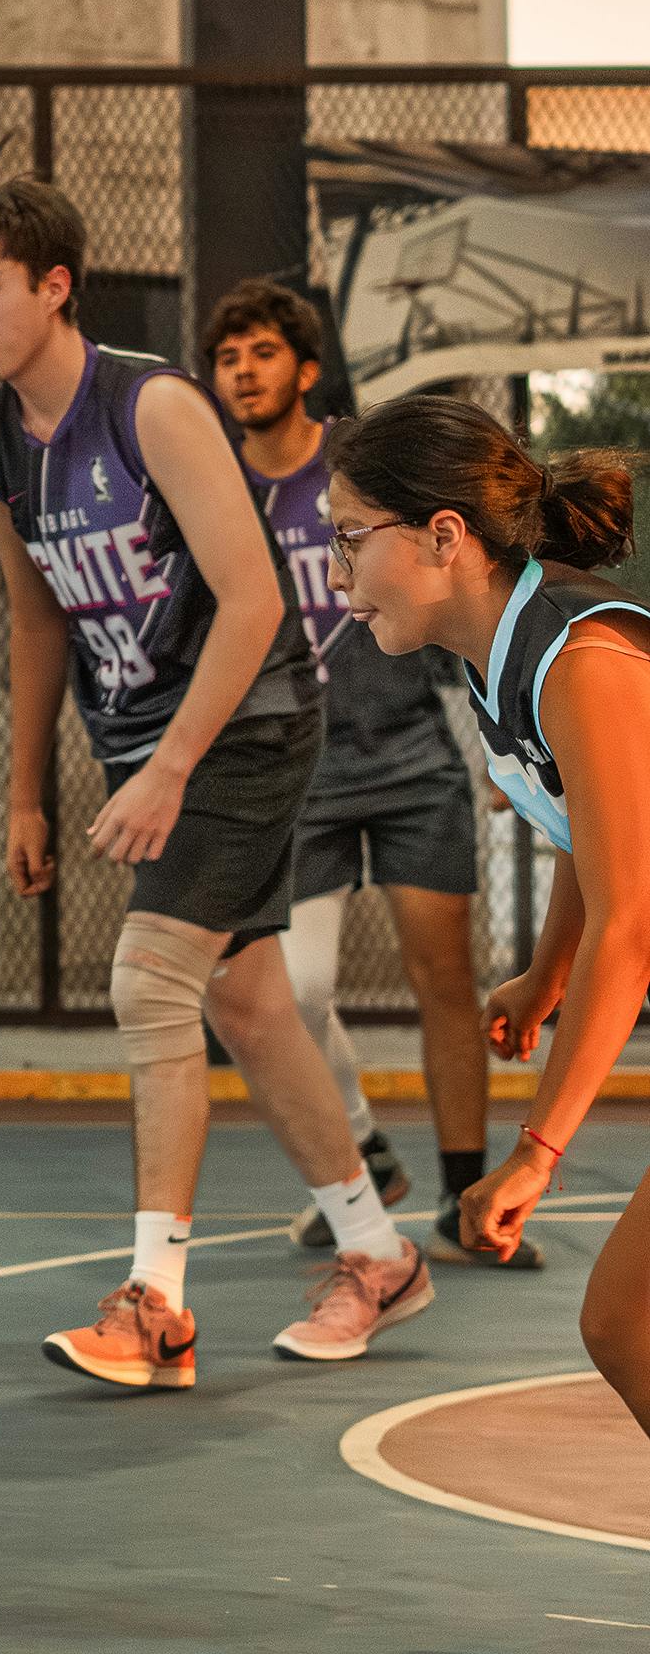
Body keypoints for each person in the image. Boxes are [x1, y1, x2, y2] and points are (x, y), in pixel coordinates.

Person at [0, 165, 435, 1388]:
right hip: (142, 738)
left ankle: (155, 1296)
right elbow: (37, 619)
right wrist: (25, 791)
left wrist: (167, 768)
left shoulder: (152, 407)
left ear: (57, 288)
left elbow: (260, 595)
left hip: (249, 719)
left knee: (151, 979)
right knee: (253, 998)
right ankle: (379, 1254)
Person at [327, 398, 650, 1427]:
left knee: (627, 1323)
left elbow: (633, 922)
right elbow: (590, 835)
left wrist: (538, 1149)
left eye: (346, 538)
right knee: (628, 1326)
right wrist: (548, 969)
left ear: (444, 535)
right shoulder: (493, 655)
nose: (335, 576)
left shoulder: (583, 659)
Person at [201, 280, 532, 1269]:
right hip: (294, 769)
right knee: (289, 988)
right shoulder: (214, 485)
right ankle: (363, 1146)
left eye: (262, 352)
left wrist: (491, 749)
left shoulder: (360, 464)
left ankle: (468, 1193)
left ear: (304, 371)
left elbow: (450, 585)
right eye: (226, 357)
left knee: (446, 980)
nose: (243, 371)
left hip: (409, 758)